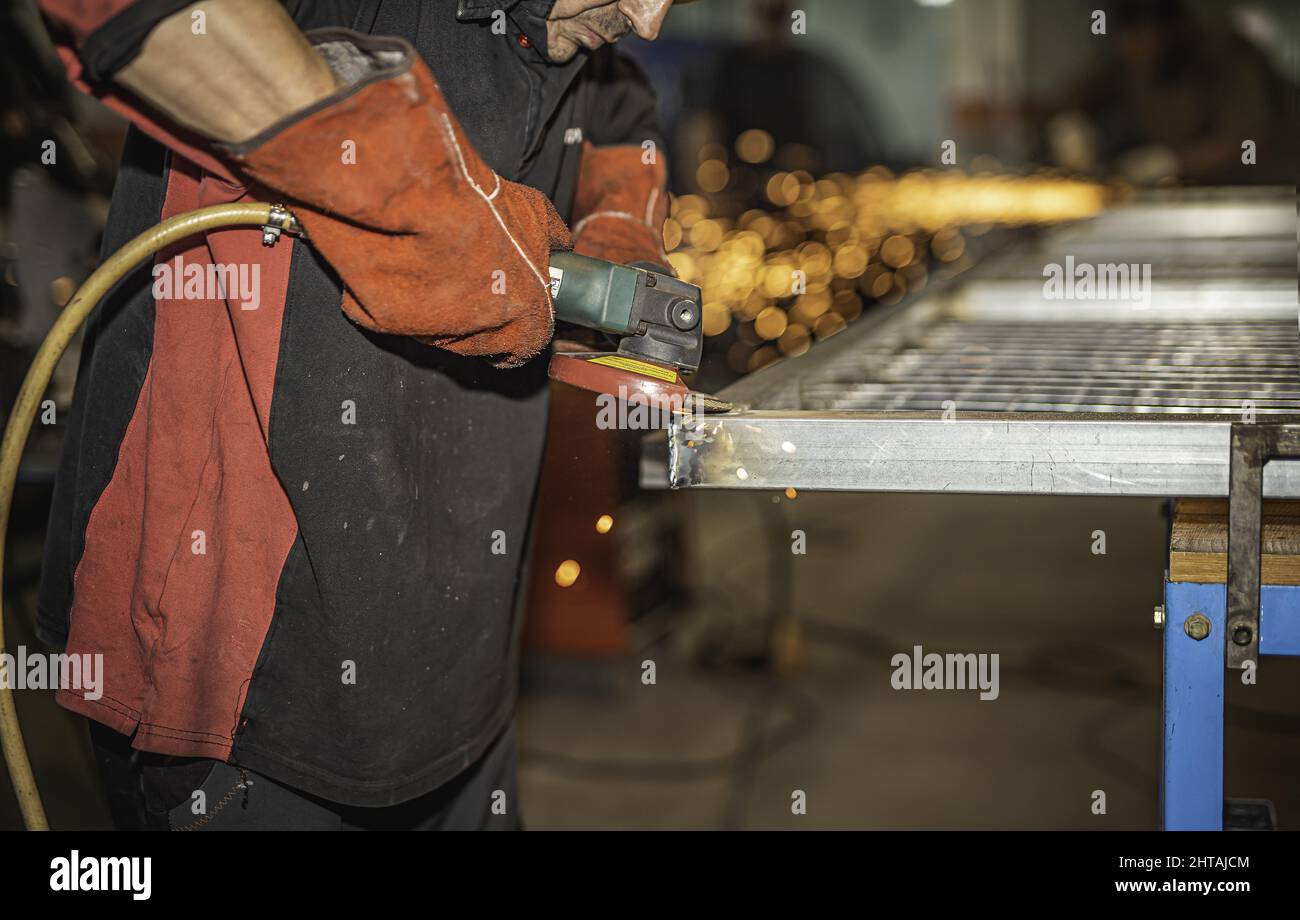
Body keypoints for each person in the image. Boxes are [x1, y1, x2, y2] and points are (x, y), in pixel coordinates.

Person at [35, 0, 676, 830]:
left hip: (460, 674)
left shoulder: (589, 38)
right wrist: (423, 206)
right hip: (247, 692)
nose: (650, 18)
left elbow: (623, 116)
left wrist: (620, 238)